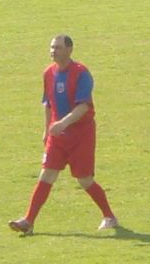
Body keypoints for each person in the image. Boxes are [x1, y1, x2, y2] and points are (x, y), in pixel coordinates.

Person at [8, 35, 117, 235]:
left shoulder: (81, 73)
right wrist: (46, 129)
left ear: (69, 50)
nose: (53, 51)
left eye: (57, 47)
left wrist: (63, 123)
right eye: (51, 47)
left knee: (84, 179)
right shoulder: (48, 73)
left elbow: (84, 106)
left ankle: (109, 216)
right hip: (57, 135)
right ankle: (28, 221)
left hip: (81, 134)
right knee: (47, 174)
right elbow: (48, 103)